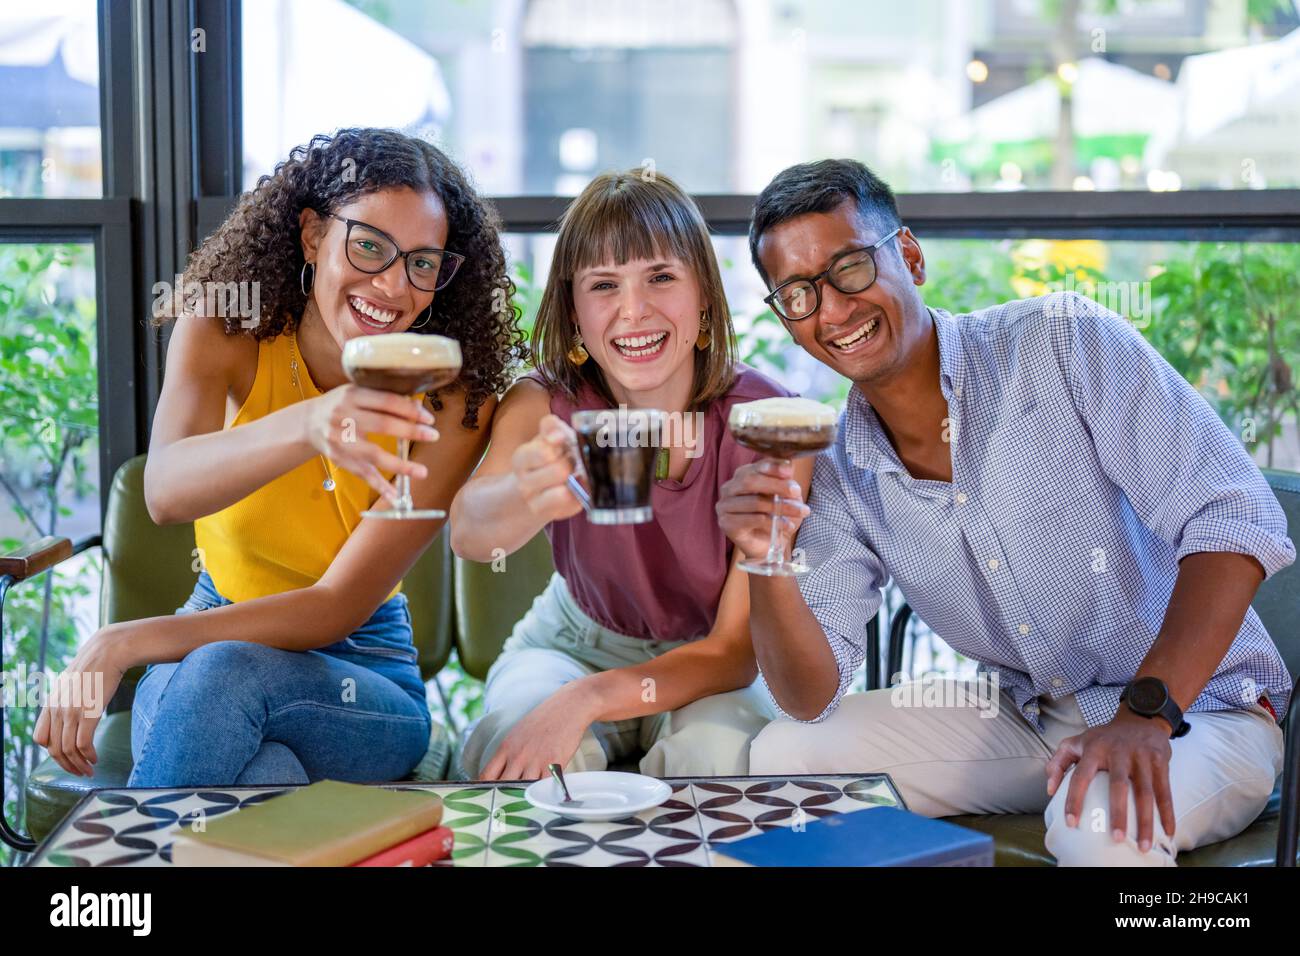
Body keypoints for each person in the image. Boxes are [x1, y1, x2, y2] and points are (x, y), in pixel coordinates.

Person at [717, 158, 1294, 866]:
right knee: (785, 753)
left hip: (1200, 712)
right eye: (799, 294)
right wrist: (766, 556)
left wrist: (1144, 713)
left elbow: (1233, 519)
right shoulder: (838, 465)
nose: (832, 310)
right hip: (1029, 716)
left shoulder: (1061, 341)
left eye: (850, 269)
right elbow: (810, 697)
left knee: (1101, 825)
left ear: (909, 255)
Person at [35, 128, 526, 787]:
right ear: (313, 235)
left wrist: (120, 642)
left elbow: (334, 605)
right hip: (205, 649)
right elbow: (166, 492)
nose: (391, 284)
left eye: (422, 263)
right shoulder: (222, 329)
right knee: (266, 770)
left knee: (225, 672)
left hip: (363, 676)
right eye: (369, 245)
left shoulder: (451, 398)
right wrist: (311, 423)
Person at [449, 169, 808, 781]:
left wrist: (586, 700)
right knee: (531, 759)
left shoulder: (768, 425)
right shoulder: (544, 403)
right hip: (573, 642)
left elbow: (731, 653)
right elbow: (472, 535)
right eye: (604, 285)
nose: (633, 310)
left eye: (661, 277)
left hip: (708, 661)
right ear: (575, 312)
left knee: (718, 763)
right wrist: (527, 492)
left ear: (704, 298)